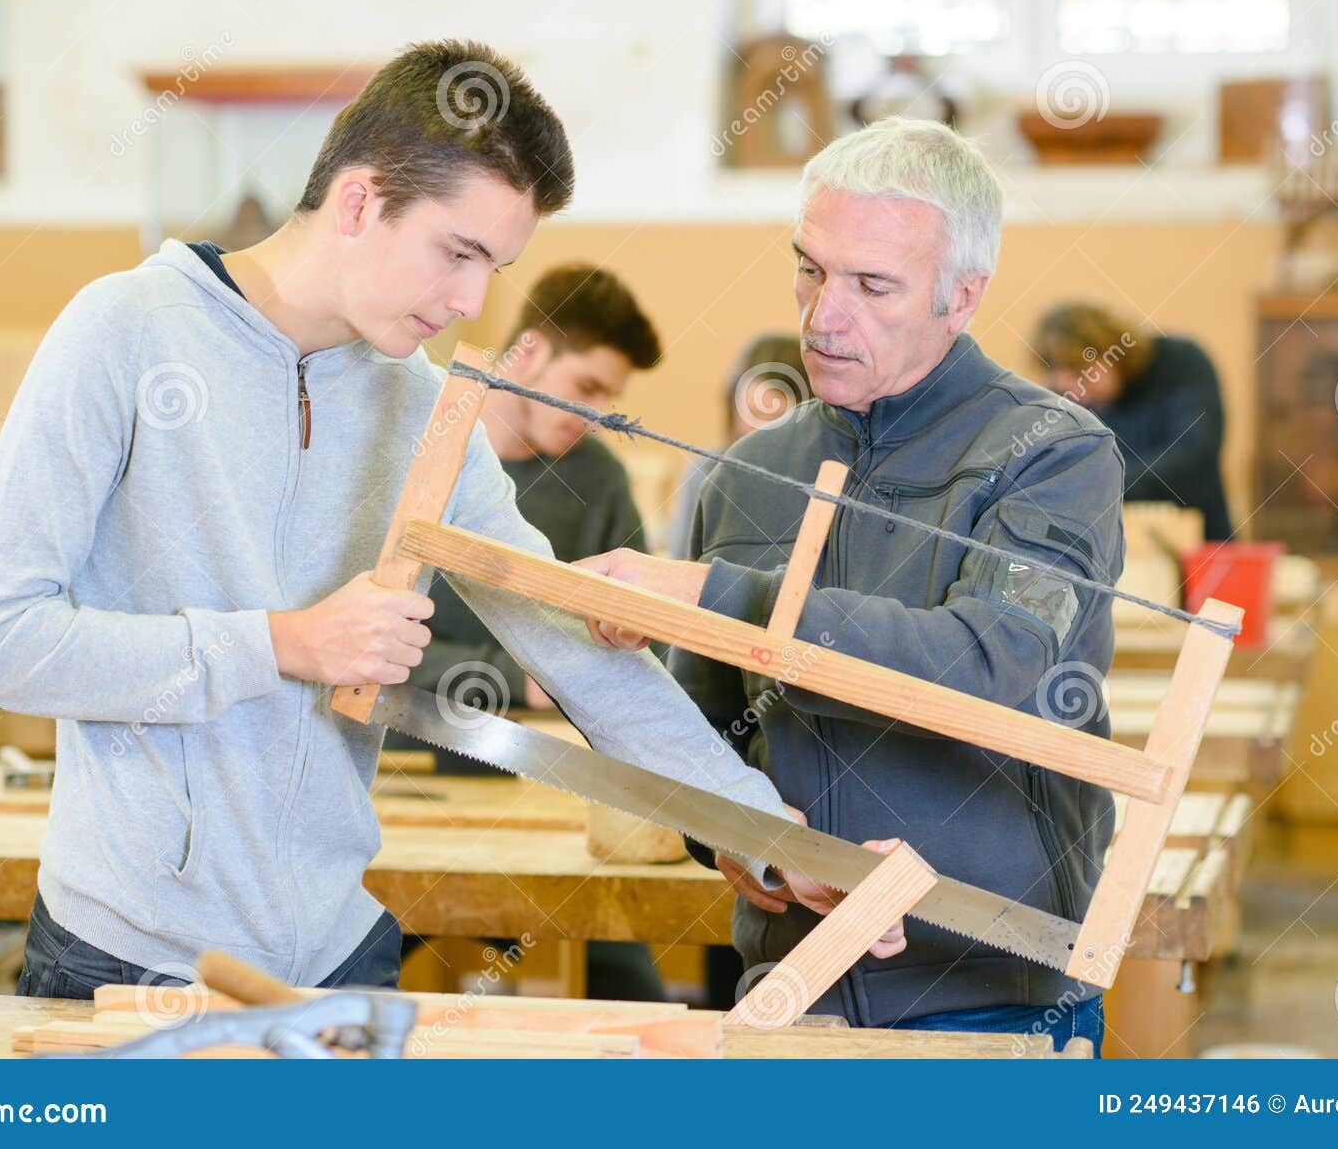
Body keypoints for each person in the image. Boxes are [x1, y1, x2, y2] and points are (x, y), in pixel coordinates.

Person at [0, 40, 789, 999]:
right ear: (357, 201)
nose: (471, 301)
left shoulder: (426, 409)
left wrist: (762, 829)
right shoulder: (123, 332)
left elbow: (573, 644)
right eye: (457, 253)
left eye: (495, 266)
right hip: (127, 954)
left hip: (338, 956)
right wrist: (283, 644)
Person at [574, 116, 1126, 1053]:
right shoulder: (748, 473)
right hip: (791, 993)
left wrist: (719, 596)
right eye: (810, 269)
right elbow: (705, 734)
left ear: (962, 296)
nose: (823, 315)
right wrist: (750, 842)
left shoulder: (1055, 455)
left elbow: (991, 662)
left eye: (872, 285)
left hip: (994, 997)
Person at [391, 262, 668, 1000]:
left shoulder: (598, 480)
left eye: (610, 399)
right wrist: (517, 677)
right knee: (345, 983)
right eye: (587, 388)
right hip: (399, 777)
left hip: (540, 789)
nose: (596, 414)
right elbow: (362, 645)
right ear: (532, 352)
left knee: (629, 993)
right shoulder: (419, 450)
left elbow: (641, 646)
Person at [1030, 302, 1233, 541]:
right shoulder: (1071, 401)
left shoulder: (1181, 364)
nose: (1076, 393)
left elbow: (1195, 455)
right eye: (1062, 381)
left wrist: (1096, 483)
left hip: (1201, 542)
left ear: (1110, 350)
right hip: (1122, 546)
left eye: (1080, 373)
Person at [665, 333, 808, 559]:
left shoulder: (821, 483)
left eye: (776, 417)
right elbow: (680, 562)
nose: (760, 431)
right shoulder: (706, 470)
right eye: (752, 412)